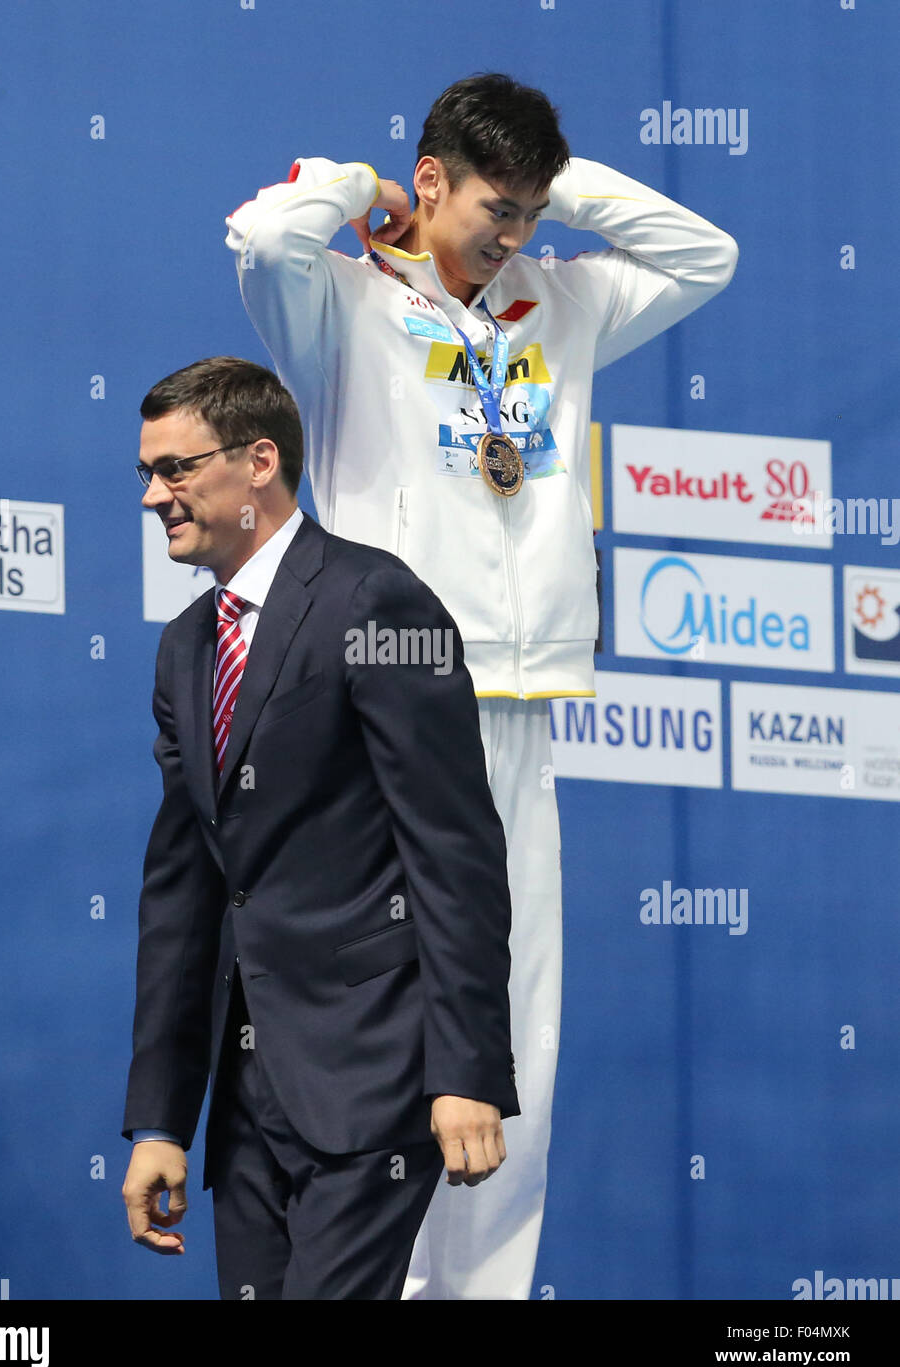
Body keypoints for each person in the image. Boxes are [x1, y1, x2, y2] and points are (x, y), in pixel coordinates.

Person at [226, 72, 739, 1299]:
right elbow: (259, 233)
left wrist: (563, 196)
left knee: (516, 1036)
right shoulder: (341, 302)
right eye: (489, 207)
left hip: (515, 715)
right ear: (434, 181)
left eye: (530, 211)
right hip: (382, 705)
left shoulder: (557, 304)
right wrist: (369, 194)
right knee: (380, 1014)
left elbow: (705, 253)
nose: (510, 235)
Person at [120, 356, 519, 1300]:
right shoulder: (185, 649)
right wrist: (162, 1121)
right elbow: (186, 891)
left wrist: (468, 1070)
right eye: (146, 473)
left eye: (176, 469)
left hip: (374, 1075)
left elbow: (455, 851)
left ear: (260, 461)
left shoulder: (380, 600)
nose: (154, 496)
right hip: (249, 1103)